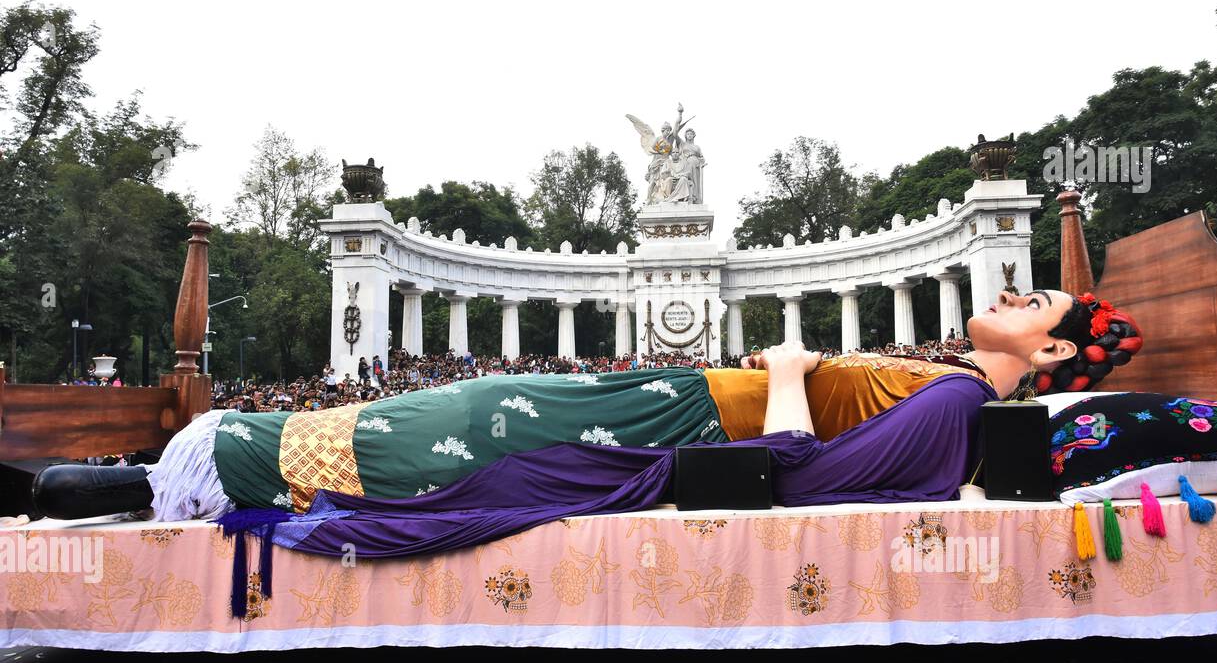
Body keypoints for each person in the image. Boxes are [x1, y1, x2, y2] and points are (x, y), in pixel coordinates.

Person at [35, 289, 1141, 525]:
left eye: (1031, 294)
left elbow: (803, 474)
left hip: (663, 428)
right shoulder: (940, 377)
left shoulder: (952, 401)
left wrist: (797, 369)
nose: (1006, 289)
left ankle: (185, 472)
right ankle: (170, 474)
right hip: (656, 400)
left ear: (1045, 349)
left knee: (430, 432)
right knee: (462, 406)